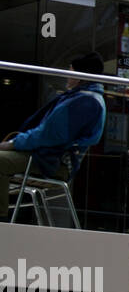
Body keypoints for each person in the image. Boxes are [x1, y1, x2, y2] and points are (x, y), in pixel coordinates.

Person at [0, 52, 107, 219]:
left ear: (80, 77)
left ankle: (1, 220)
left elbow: (47, 135)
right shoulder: (83, 98)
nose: (66, 76)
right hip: (48, 157)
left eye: (70, 71)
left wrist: (13, 143)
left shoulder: (85, 101)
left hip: (52, 161)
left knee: (1, 161)